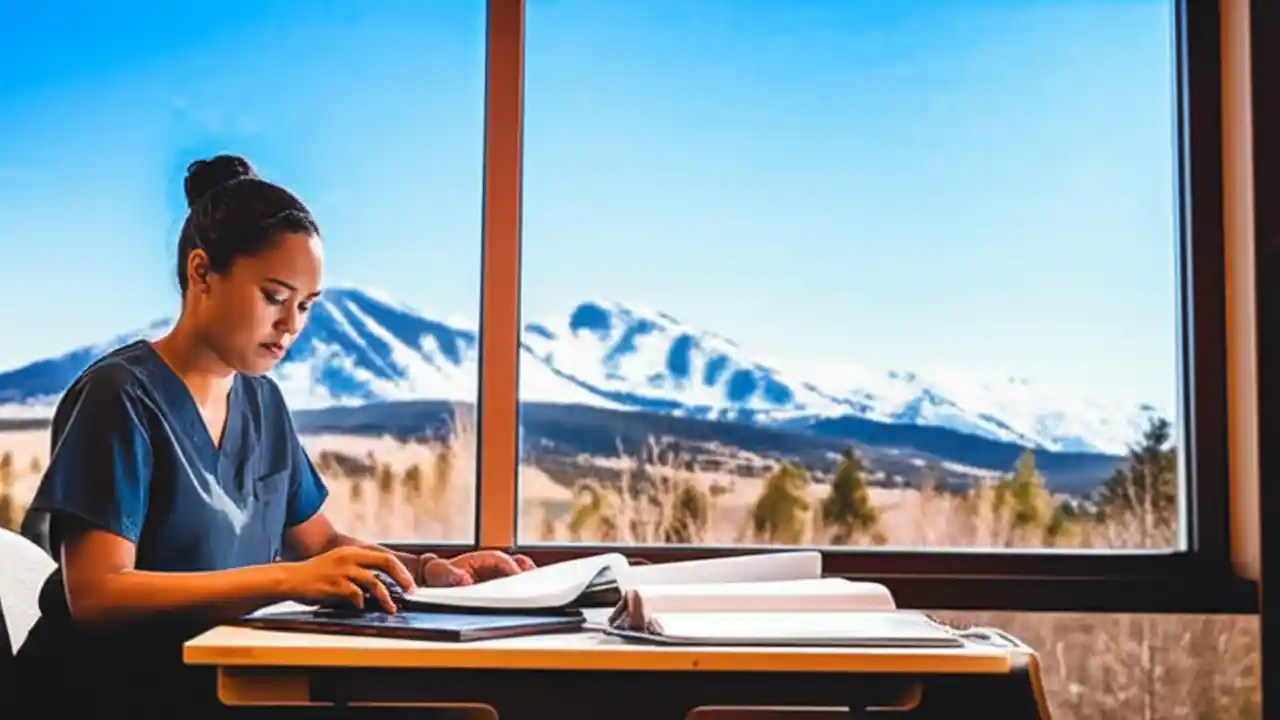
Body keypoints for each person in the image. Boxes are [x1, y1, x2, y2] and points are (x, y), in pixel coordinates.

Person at [14, 154, 534, 717]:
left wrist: (433, 572)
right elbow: (97, 594)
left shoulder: (262, 402)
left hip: (220, 689)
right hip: (106, 699)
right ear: (201, 272)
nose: (291, 326)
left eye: (306, 306)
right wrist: (289, 580)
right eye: (274, 297)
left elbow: (321, 548)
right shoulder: (118, 397)